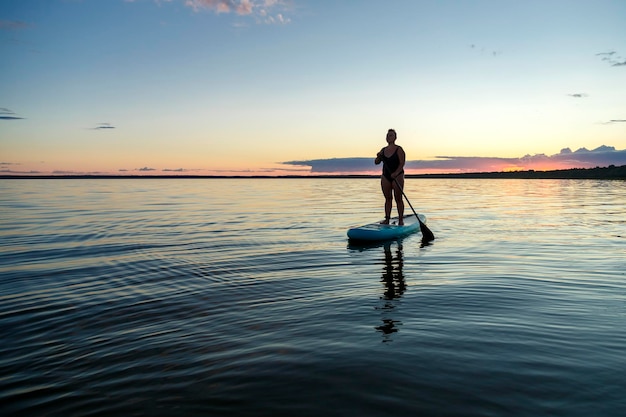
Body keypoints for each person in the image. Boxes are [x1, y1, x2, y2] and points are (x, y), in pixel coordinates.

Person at [375, 129, 405, 225]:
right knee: (388, 198)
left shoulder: (399, 149)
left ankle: (400, 220)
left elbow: (402, 163)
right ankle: (387, 219)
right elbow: (376, 162)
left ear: (395, 137)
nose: (389, 137)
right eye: (387, 135)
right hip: (386, 176)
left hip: (398, 175)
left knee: (398, 198)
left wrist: (396, 173)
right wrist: (379, 157)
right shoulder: (383, 150)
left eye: (391, 135)